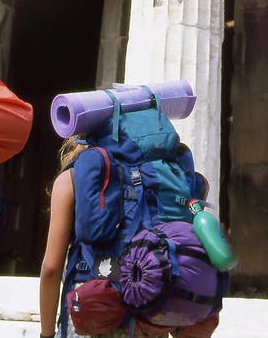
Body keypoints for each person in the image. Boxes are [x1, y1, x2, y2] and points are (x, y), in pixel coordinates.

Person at [39, 138, 170, 338]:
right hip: (143, 313)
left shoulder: (72, 178)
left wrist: (46, 335)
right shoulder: (159, 177)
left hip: (88, 308)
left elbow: (50, 269)